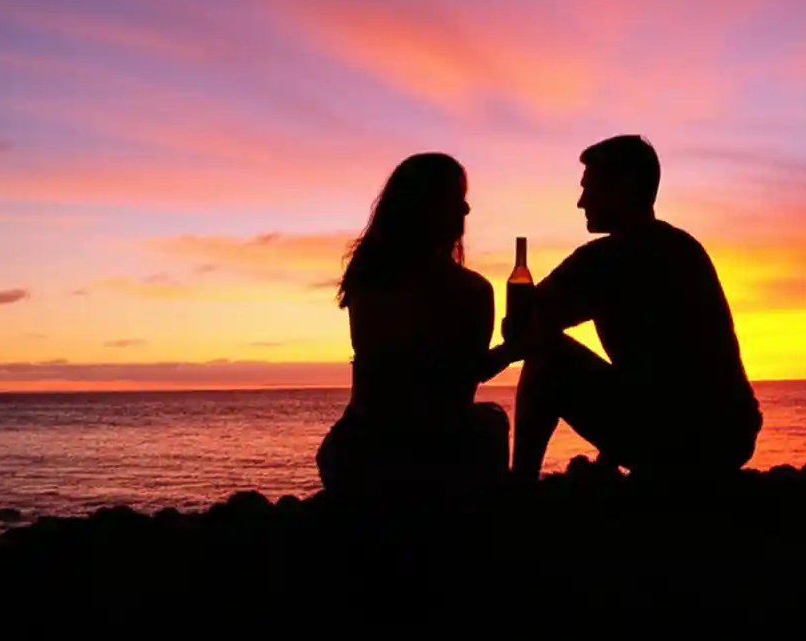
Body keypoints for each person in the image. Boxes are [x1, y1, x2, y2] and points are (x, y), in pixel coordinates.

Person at [505, 135, 762, 483]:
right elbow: (661, 369)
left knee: (547, 359)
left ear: (622, 189)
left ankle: (520, 488)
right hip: (732, 438)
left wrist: (491, 356)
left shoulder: (607, 260)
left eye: (589, 188)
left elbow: (525, 329)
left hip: (682, 440)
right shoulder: (684, 248)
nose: (581, 202)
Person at [317, 153, 510, 500]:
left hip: (355, 453)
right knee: (491, 424)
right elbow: (461, 382)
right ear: (428, 207)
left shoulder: (368, 278)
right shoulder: (472, 290)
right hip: (428, 453)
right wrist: (513, 350)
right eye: (457, 199)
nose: (466, 210)